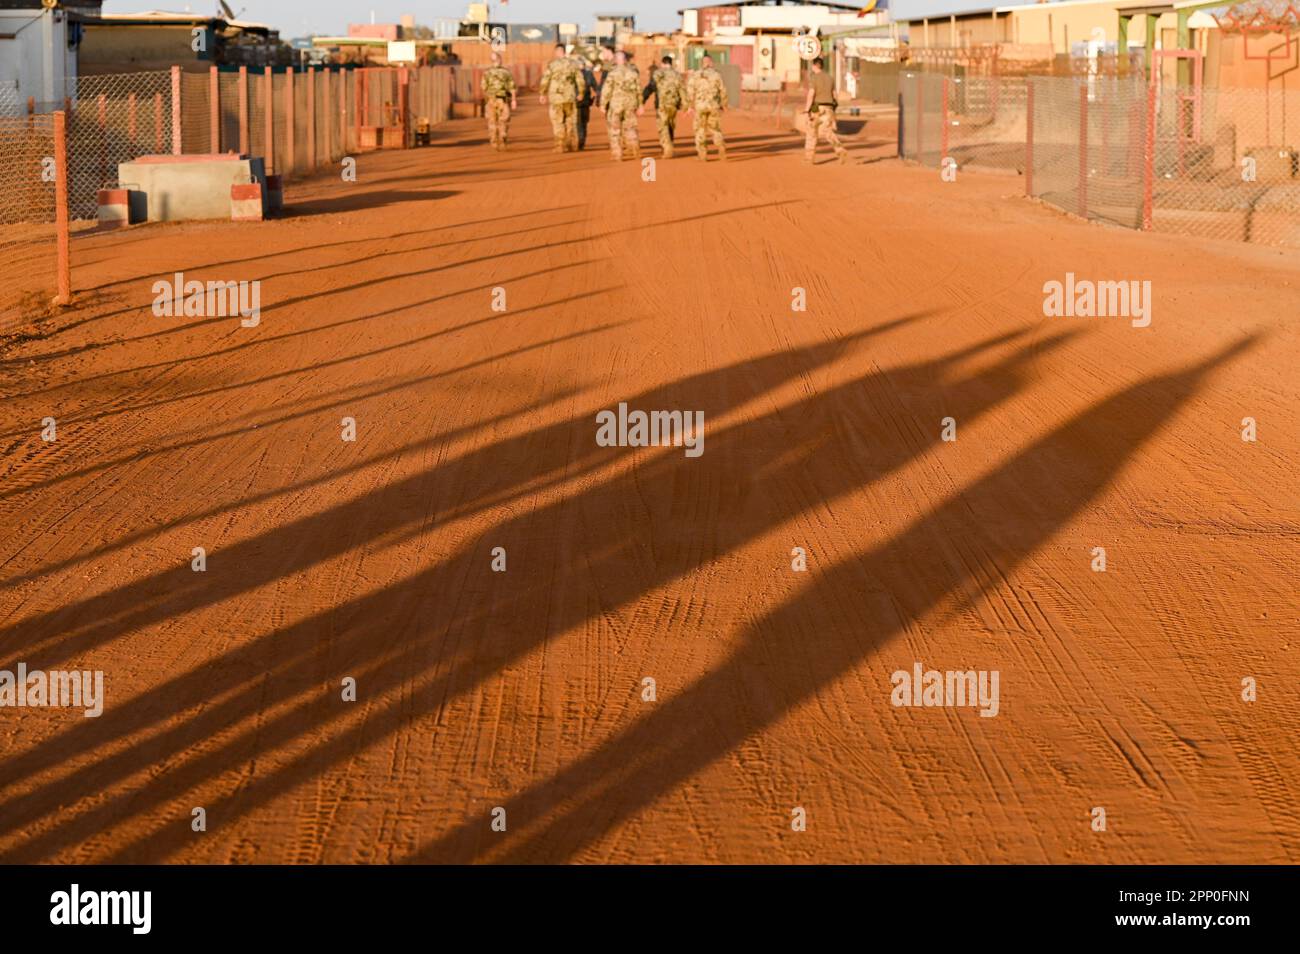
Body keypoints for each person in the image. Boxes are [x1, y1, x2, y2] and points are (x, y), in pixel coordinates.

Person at [538, 44, 586, 152]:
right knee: (571, 122)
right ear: (564, 52)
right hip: (570, 98)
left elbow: (545, 79)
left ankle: (560, 146)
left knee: (557, 123)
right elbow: (580, 79)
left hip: (556, 99)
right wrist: (581, 92)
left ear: (557, 52)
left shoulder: (552, 65)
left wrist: (542, 94)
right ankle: (572, 145)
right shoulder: (573, 64)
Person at [639, 54, 685, 159]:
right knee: (670, 126)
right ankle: (669, 145)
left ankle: (667, 148)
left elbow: (650, 88)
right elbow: (682, 90)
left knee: (663, 127)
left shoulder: (658, 74)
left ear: (663, 64)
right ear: (671, 64)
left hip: (662, 105)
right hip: (673, 105)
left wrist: (642, 101)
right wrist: (685, 105)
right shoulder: (677, 75)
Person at [804, 56, 848, 165]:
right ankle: (840, 149)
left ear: (815, 66)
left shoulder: (814, 78)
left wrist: (806, 109)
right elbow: (834, 95)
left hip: (816, 108)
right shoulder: (830, 78)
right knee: (827, 131)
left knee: (811, 132)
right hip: (828, 108)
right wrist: (833, 109)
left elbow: (811, 94)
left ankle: (809, 158)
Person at [600, 49, 641, 161]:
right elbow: (639, 90)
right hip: (630, 104)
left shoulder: (612, 73)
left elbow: (607, 90)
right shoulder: (633, 73)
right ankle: (635, 150)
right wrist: (640, 105)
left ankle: (617, 154)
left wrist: (603, 104)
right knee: (631, 128)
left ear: (617, 60)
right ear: (625, 60)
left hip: (616, 105)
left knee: (615, 130)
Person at [685, 54, 727, 162]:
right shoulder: (717, 75)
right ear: (711, 63)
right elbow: (723, 90)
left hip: (700, 106)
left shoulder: (695, 75)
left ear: (702, 63)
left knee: (700, 130)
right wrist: (724, 104)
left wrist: (689, 106)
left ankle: (702, 155)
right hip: (713, 106)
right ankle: (720, 145)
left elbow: (689, 91)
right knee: (715, 128)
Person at [480, 52, 518, 151]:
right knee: (504, 121)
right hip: (502, 100)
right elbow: (512, 87)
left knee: (492, 122)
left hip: (491, 100)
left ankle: (494, 142)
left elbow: (483, 88)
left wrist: (487, 99)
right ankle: (502, 138)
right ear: (500, 60)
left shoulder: (487, 73)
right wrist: (513, 100)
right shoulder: (506, 72)